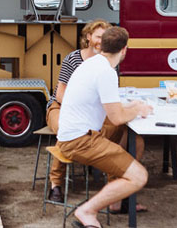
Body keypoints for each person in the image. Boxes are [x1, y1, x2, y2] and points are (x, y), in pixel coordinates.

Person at [57, 26, 153, 228]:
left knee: (128, 144)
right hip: (80, 141)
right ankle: (87, 210)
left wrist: (134, 106)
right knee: (139, 176)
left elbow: (109, 105)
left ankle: (115, 203)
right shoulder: (106, 72)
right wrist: (138, 111)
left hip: (75, 136)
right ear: (125, 49)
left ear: (101, 45)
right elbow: (117, 118)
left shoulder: (91, 64)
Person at [45, 20, 111, 202]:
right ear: (88, 37)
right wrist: (79, 110)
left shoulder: (109, 62)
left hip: (92, 111)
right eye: (98, 37)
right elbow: (60, 93)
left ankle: (114, 185)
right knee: (66, 128)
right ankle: (56, 184)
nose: (102, 41)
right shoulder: (74, 59)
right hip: (60, 106)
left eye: (106, 38)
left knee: (119, 130)